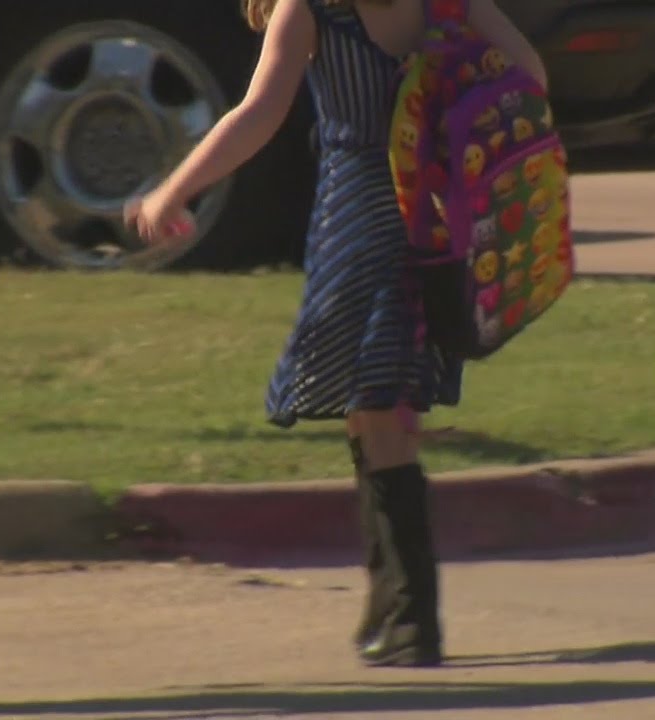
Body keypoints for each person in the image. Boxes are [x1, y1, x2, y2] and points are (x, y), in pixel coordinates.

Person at [125, 0, 548, 668]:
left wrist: (174, 191)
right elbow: (529, 75)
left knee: (380, 409)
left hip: (357, 217)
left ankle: (411, 620)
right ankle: (389, 609)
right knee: (379, 405)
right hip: (433, 216)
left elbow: (258, 113)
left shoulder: (314, 11)